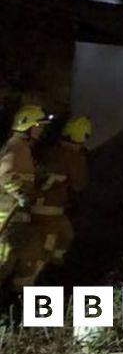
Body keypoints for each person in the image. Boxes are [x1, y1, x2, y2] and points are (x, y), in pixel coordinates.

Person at [11, 115, 91, 289]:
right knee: (42, 252)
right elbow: (79, 184)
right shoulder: (75, 157)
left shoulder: (51, 151)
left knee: (64, 235)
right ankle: (25, 289)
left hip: (38, 209)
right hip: (49, 215)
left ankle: (47, 274)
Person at [0, 105, 52, 288]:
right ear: (27, 126)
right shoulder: (17, 146)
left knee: (31, 251)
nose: (41, 130)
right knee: (4, 261)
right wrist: (20, 194)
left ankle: (18, 293)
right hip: (7, 215)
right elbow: (4, 174)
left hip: (17, 215)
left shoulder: (23, 147)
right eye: (39, 126)